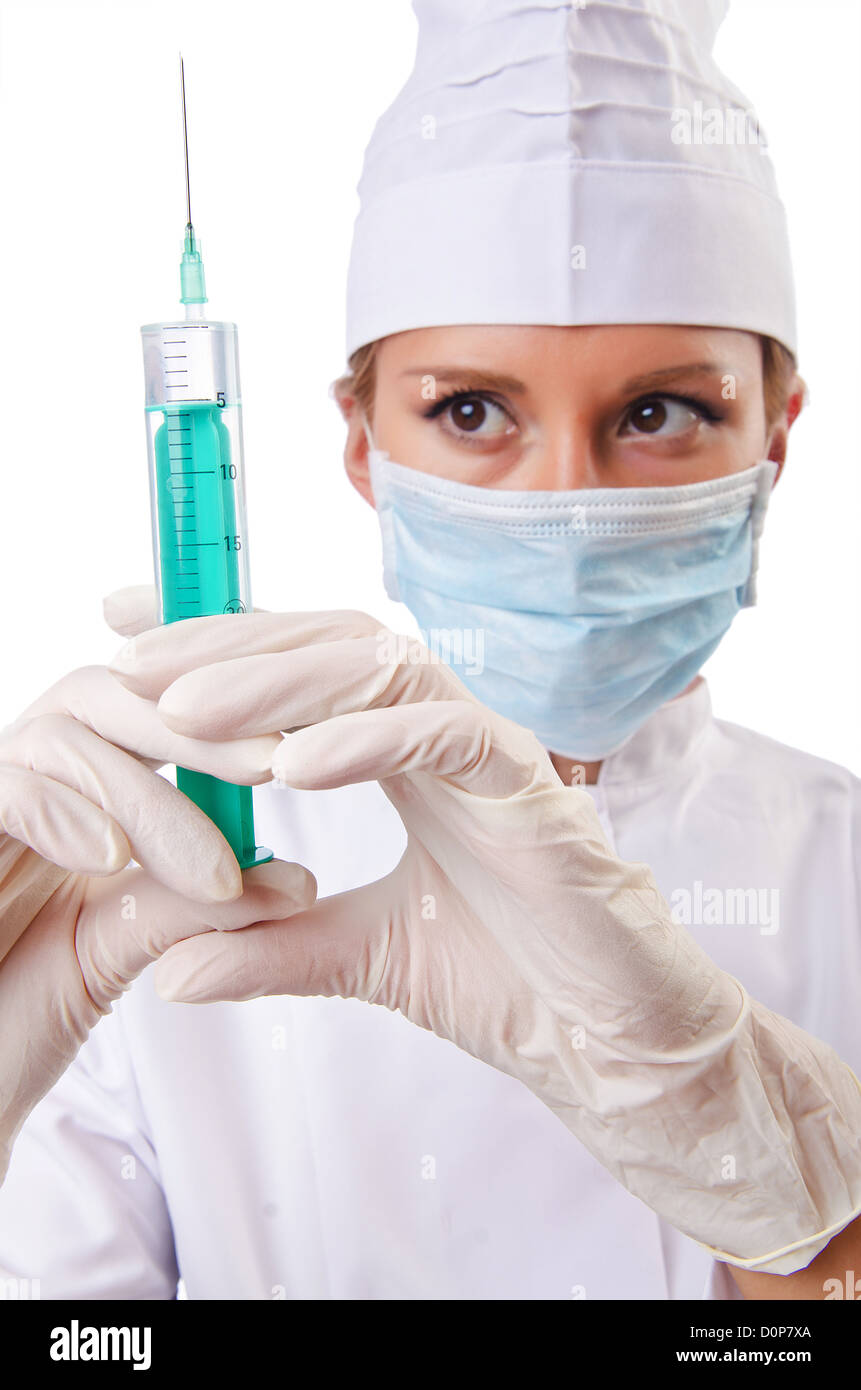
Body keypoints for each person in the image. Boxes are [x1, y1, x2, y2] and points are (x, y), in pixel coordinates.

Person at [0, 0, 859, 1301]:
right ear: (361, 445)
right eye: (469, 409)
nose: (565, 502)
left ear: (775, 436)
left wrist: (796, 1213)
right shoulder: (163, 887)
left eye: (661, 410)